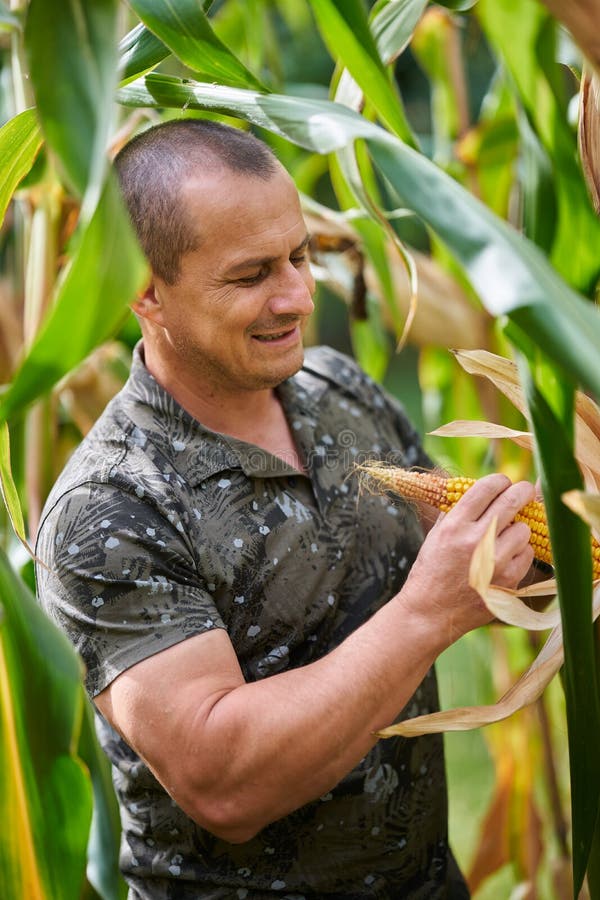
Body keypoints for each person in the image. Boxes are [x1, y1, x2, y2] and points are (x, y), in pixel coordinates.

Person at [35, 118, 536, 900]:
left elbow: (484, 567)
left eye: (300, 255)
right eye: (251, 275)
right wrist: (430, 614)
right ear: (143, 287)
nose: (299, 296)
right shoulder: (107, 510)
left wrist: (554, 540)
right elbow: (223, 781)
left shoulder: (339, 389)